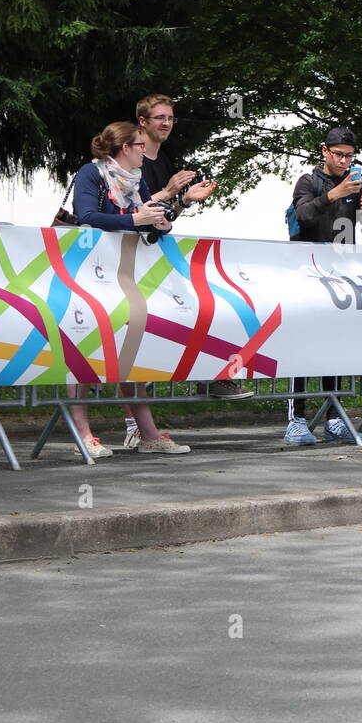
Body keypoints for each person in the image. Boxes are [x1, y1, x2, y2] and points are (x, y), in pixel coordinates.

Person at [67, 122, 191, 458]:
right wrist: (136, 220)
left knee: (130, 345)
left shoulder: (137, 179)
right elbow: (86, 216)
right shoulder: (92, 173)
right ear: (126, 147)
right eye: (140, 145)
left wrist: (163, 221)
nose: (145, 151)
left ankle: (148, 433)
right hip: (85, 271)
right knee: (82, 344)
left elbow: (149, 216)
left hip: (123, 272)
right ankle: (84, 436)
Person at [134, 94, 243, 409]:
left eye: (170, 118)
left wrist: (184, 201)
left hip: (156, 252)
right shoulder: (129, 157)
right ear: (143, 121)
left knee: (204, 308)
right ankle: (135, 424)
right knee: (141, 333)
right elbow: (127, 208)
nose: (167, 123)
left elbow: (163, 217)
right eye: (159, 118)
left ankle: (211, 377)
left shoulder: (163, 160)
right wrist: (169, 193)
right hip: (129, 256)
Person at [284, 127, 362, 445]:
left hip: (341, 276)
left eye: (349, 155)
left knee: (334, 348)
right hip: (307, 274)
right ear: (324, 151)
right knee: (302, 347)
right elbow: (303, 216)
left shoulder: (358, 184)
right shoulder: (308, 181)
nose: (344, 160)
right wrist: (334, 194)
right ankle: (297, 420)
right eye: (338, 154)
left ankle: (333, 418)